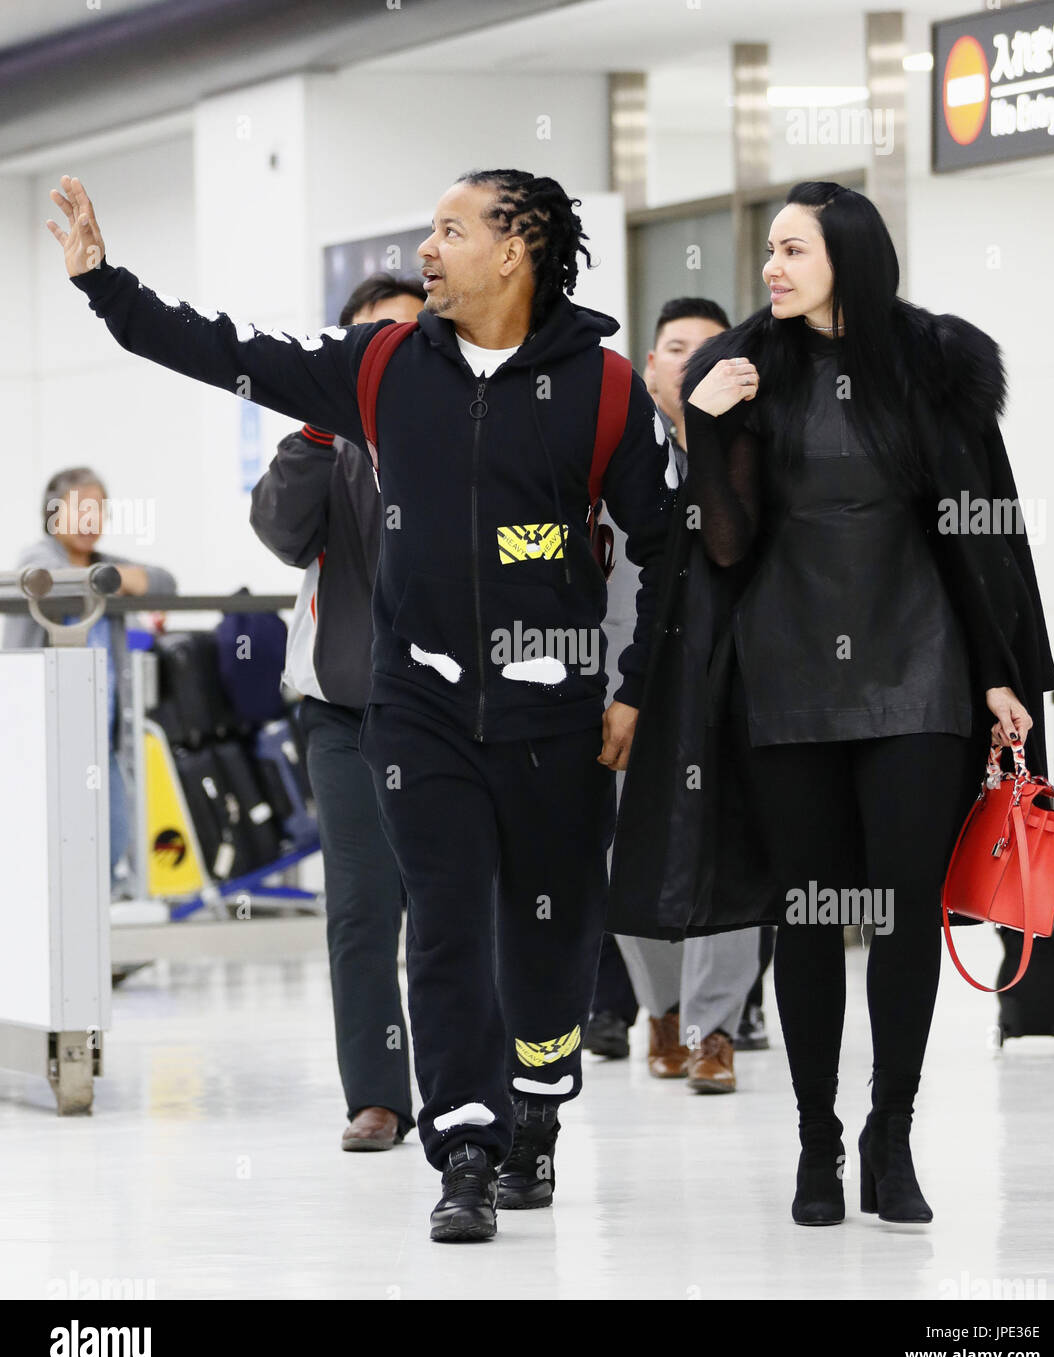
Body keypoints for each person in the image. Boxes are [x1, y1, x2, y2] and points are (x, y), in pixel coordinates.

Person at [48, 169, 673, 1243]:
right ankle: (467, 1146)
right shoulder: (385, 368)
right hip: (416, 702)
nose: (426, 250)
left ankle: (539, 1099)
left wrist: (633, 690)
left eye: (449, 230)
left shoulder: (601, 388)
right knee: (439, 923)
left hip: (553, 718)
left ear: (514, 248)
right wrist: (108, 286)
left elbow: (666, 551)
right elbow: (230, 353)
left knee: (547, 937)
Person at [611, 181, 1054, 1227]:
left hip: (919, 676)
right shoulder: (747, 368)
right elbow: (722, 544)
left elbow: (973, 530)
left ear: (846, 255)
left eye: (792, 248)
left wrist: (999, 671)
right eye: (768, 249)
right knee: (807, 915)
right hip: (786, 677)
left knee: (902, 917)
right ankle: (816, 1137)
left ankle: (888, 1136)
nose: (771, 267)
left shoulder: (932, 361)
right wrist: (707, 428)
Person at [250, 273, 426, 1154]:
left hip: (452, 716)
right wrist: (321, 427)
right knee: (362, 910)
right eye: (366, 342)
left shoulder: (467, 431)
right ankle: (378, 1097)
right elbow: (282, 533)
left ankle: (469, 1092)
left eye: (404, 336)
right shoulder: (321, 443)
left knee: (456, 909)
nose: (385, 355)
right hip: (346, 713)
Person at [596, 298, 767, 1090]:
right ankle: (660, 1009)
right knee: (627, 842)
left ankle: (715, 1028)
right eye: (674, 347)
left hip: (728, 672)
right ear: (651, 365)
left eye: (711, 347)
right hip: (623, 673)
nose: (691, 359)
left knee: (726, 840)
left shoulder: (754, 446)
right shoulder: (612, 445)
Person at [4, 467, 177, 887]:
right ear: (53, 515)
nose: (89, 521)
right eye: (79, 509)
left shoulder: (105, 566)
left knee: (111, 840)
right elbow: (54, 587)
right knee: (45, 846)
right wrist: (119, 582)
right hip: (45, 737)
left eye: (97, 510)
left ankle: (94, 943)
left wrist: (118, 579)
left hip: (102, 740)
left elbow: (164, 582)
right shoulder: (37, 559)